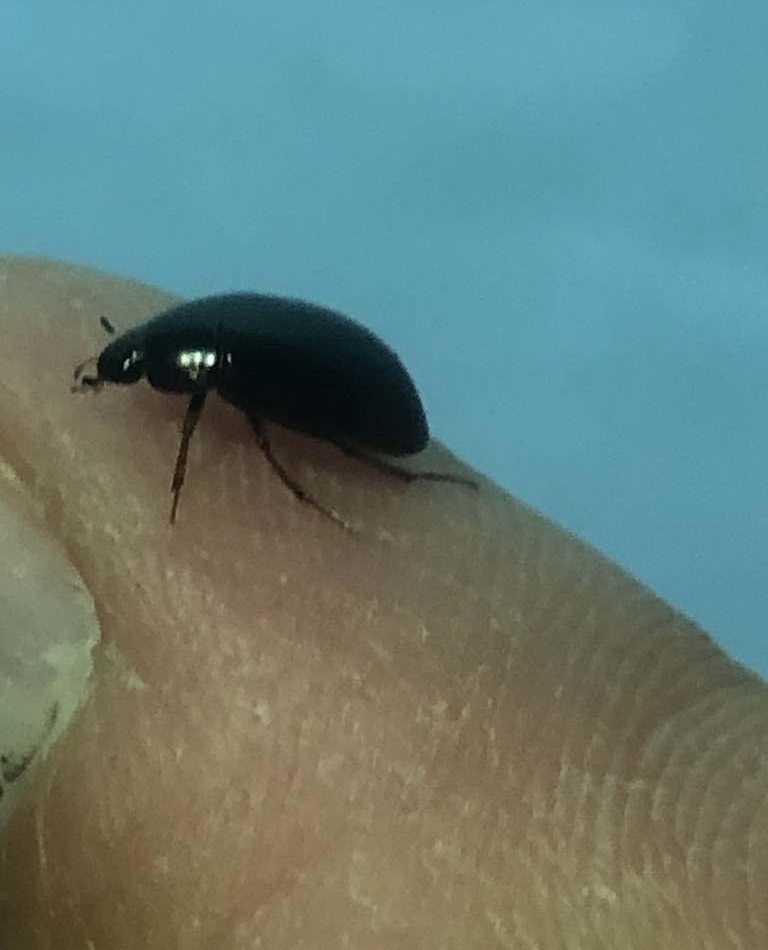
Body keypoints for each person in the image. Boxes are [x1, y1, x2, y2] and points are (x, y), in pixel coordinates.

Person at [0, 256, 765, 948]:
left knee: (291, 438)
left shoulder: (216, 362)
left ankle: (390, 484)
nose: (128, 375)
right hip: (347, 369)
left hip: (359, 392)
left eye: (134, 366)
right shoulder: (210, 338)